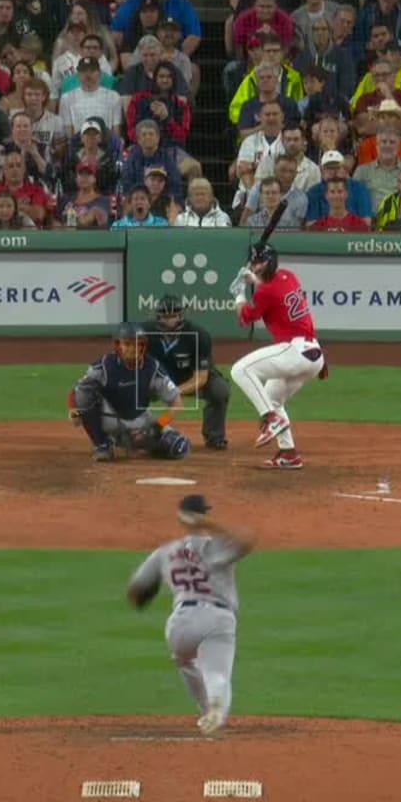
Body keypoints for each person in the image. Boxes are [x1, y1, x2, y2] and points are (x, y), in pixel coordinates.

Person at [125, 493, 256, 737]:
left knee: (185, 662)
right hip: (217, 619)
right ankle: (216, 709)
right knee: (216, 672)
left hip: (180, 623)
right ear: (204, 514)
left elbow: (134, 592)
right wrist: (209, 525)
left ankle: (206, 710)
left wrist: (150, 590)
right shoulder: (217, 544)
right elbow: (247, 538)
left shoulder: (165, 552)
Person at [228, 241, 327, 471]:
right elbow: (270, 287)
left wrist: (239, 294)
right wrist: (254, 280)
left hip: (294, 352)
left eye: (259, 262)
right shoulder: (287, 276)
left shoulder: (265, 291)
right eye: (254, 262)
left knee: (240, 370)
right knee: (272, 397)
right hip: (313, 354)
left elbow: (244, 319)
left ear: (269, 262)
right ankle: (288, 454)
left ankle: (271, 419)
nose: (256, 266)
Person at [68, 322, 189, 462]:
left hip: (141, 420)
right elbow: (78, 389)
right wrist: (73, 409)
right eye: (128, 344)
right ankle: (102, 445)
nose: (134, 349)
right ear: (118, 345)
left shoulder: (152, 367)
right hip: (111, 417)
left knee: (177, 446)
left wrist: (158, 426)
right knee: (85, 392)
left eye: (139, 344)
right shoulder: (105, 364)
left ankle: (129, 442)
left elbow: (177, 402)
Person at [146, 295, 231, 450]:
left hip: (191, 377)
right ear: (158, 316)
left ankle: (214, 437)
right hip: (158, 379)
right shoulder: (144, 333)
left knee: (220, 390)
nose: (170, 321)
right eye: (165, 316)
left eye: (174, 315)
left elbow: (201, 378)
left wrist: (172, 391)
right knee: (127, 386)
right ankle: (132, 432)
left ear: (181, 315)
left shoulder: (199, 335)